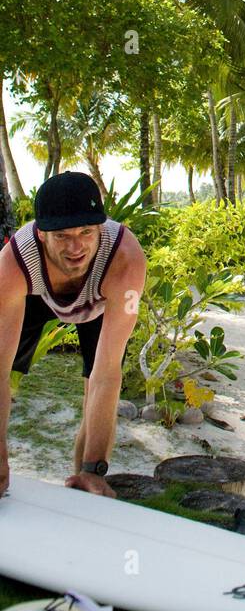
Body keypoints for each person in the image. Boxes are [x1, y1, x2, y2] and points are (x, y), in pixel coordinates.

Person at [0, 171, 146, 499]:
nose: (77, 246)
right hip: (34, 297)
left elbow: (106, 374)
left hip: (99, 300)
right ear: (40, 234)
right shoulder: (13, 264)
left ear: (100, 228)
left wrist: (94, 470)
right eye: (63, 236)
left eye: (86, 232)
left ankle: (84, 479)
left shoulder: (126, 260)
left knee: (95, 382)